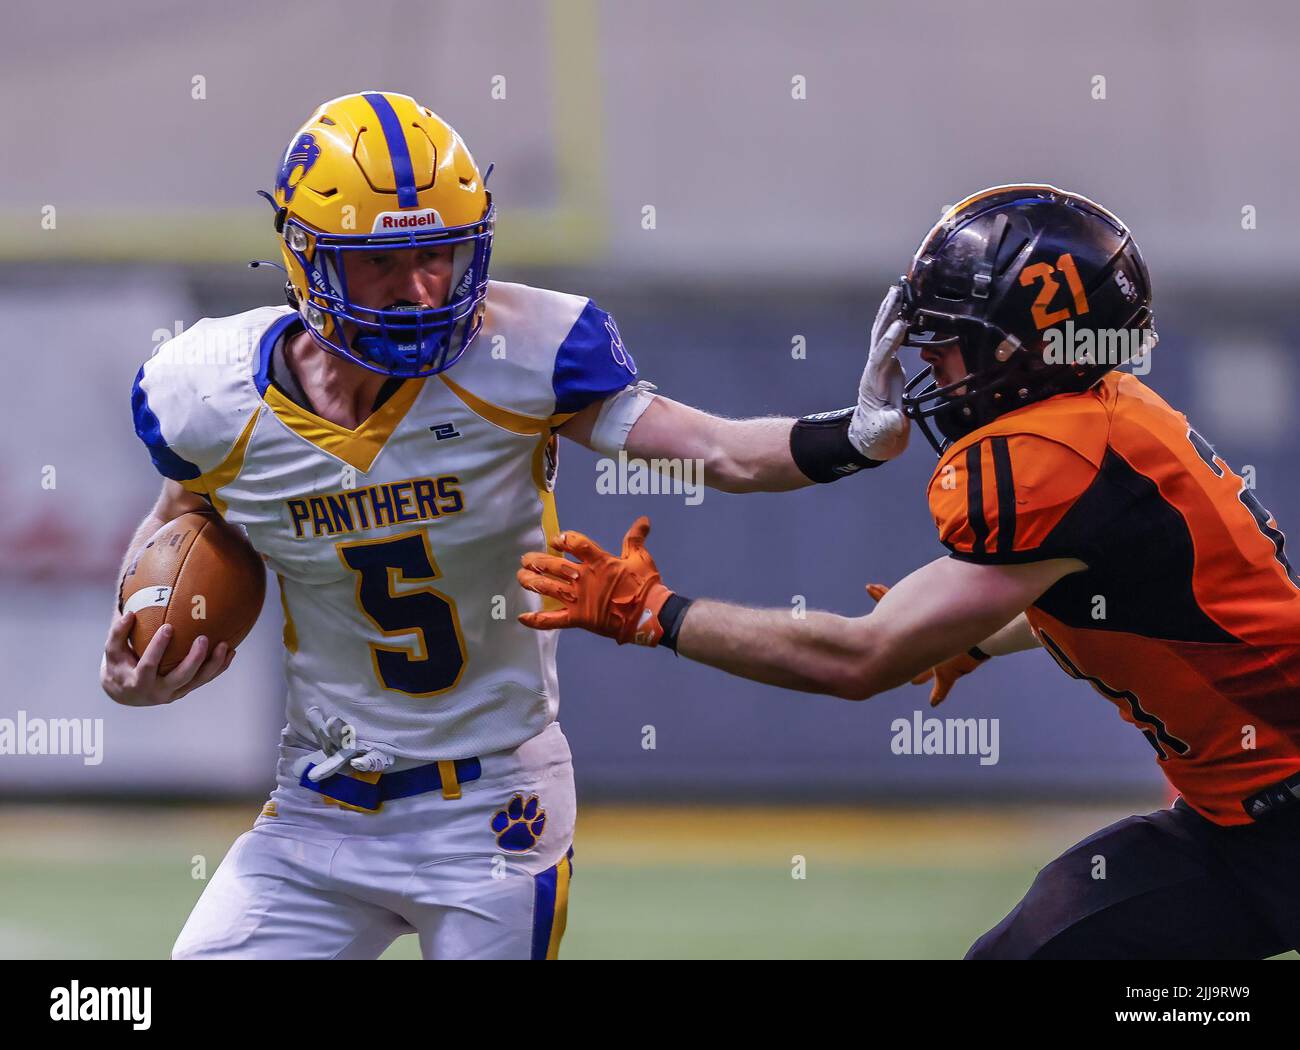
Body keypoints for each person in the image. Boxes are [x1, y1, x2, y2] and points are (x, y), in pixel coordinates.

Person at [100, 91, 912, 960]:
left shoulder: (524, 354)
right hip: (319, 807)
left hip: (492, 813)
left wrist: (855, 437)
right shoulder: (206, 392)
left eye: (443, 253)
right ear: (308, 260)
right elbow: (182, 517)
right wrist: (139, 645)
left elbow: (719, 454)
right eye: (385, 262)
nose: (422, 288)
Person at [517, 185, 1300, 959]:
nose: (929, 359)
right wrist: (979, 640)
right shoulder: (1106, 419)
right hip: (1234, 818)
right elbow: (1123, 594)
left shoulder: (1052, 460)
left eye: (948, 338)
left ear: (1021, 347)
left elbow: (858, 659)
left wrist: (654, 613)